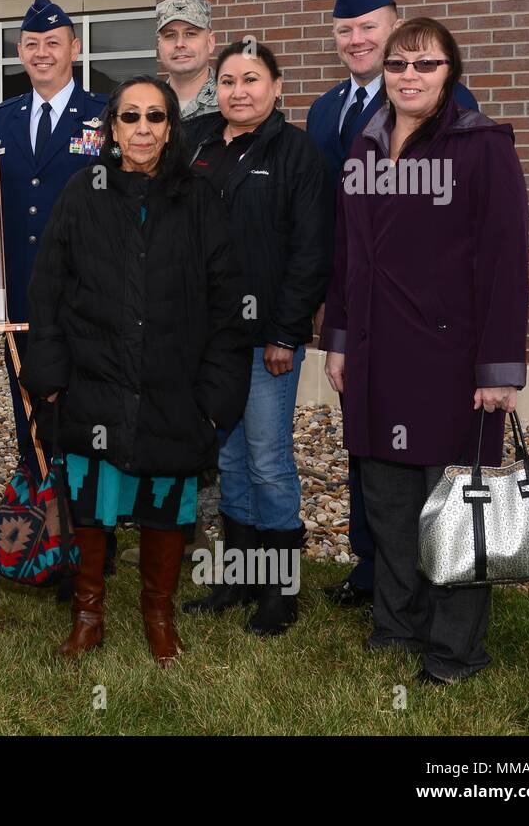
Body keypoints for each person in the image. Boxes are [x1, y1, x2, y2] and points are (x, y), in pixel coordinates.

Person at [322, 17, 528, 684]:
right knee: (387, 504)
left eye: (426, 64)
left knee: (454, 513)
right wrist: (340, 341)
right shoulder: (364, 146)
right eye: (398, 64)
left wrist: (498, 367)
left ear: (451, 74)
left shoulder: (482, 145)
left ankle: (454, 653)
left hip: (451, 362)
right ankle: (397, 627)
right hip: (377, 359)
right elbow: (348, 253)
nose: (409, 75)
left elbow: (505, 260)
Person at [21, 75, 250, 667]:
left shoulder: (199, 198)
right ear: (112, 128)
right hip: (93, 384)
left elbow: (228, 301)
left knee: (166, 504)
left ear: (170, 127)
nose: (142, 128)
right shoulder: (81, 191)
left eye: (155, 116)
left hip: (173, 389)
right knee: (92, 501)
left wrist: (215, 396)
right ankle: (88, 616)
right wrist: (48, 377)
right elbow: (46, 290)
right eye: (130, 117)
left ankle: (158, 615)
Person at [307, 0, 480, 611]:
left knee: (422, 448)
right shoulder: (327, 111)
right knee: (366, 436)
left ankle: (433, 575)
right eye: (346, 30)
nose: (357, 40)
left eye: (369, 28)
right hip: (354, 297)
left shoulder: (444, 101)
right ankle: (371, 566)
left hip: (422, 315)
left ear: (395, 26)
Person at [184, 41, 334, 636]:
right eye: (227, 81)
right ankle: (237, 578)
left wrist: (285, 332)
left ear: (276, 87)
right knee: (229, 458)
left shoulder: (297, 153)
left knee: (268, 460)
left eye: (251, 80)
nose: (238, 92)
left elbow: (311, 253)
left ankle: (279, 591)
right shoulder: (195, 144)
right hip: (207, 339)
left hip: (266, 339)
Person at [0, 0, 107, 486]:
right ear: (19, 52)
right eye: (32, 44)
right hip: (21, 293)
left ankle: (89, 525)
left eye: (52, 43)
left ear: (74, 48)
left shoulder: (103, 114)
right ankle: (38, 517)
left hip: (84, 292)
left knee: (83, 403)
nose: (42, 53)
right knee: (27, 403)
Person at [156, 0, 218, 125]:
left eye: (190, 34)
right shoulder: (147, 104)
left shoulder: (234, 101)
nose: (179, 44)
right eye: (170, 35)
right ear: (159, 46)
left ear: (210, 42)